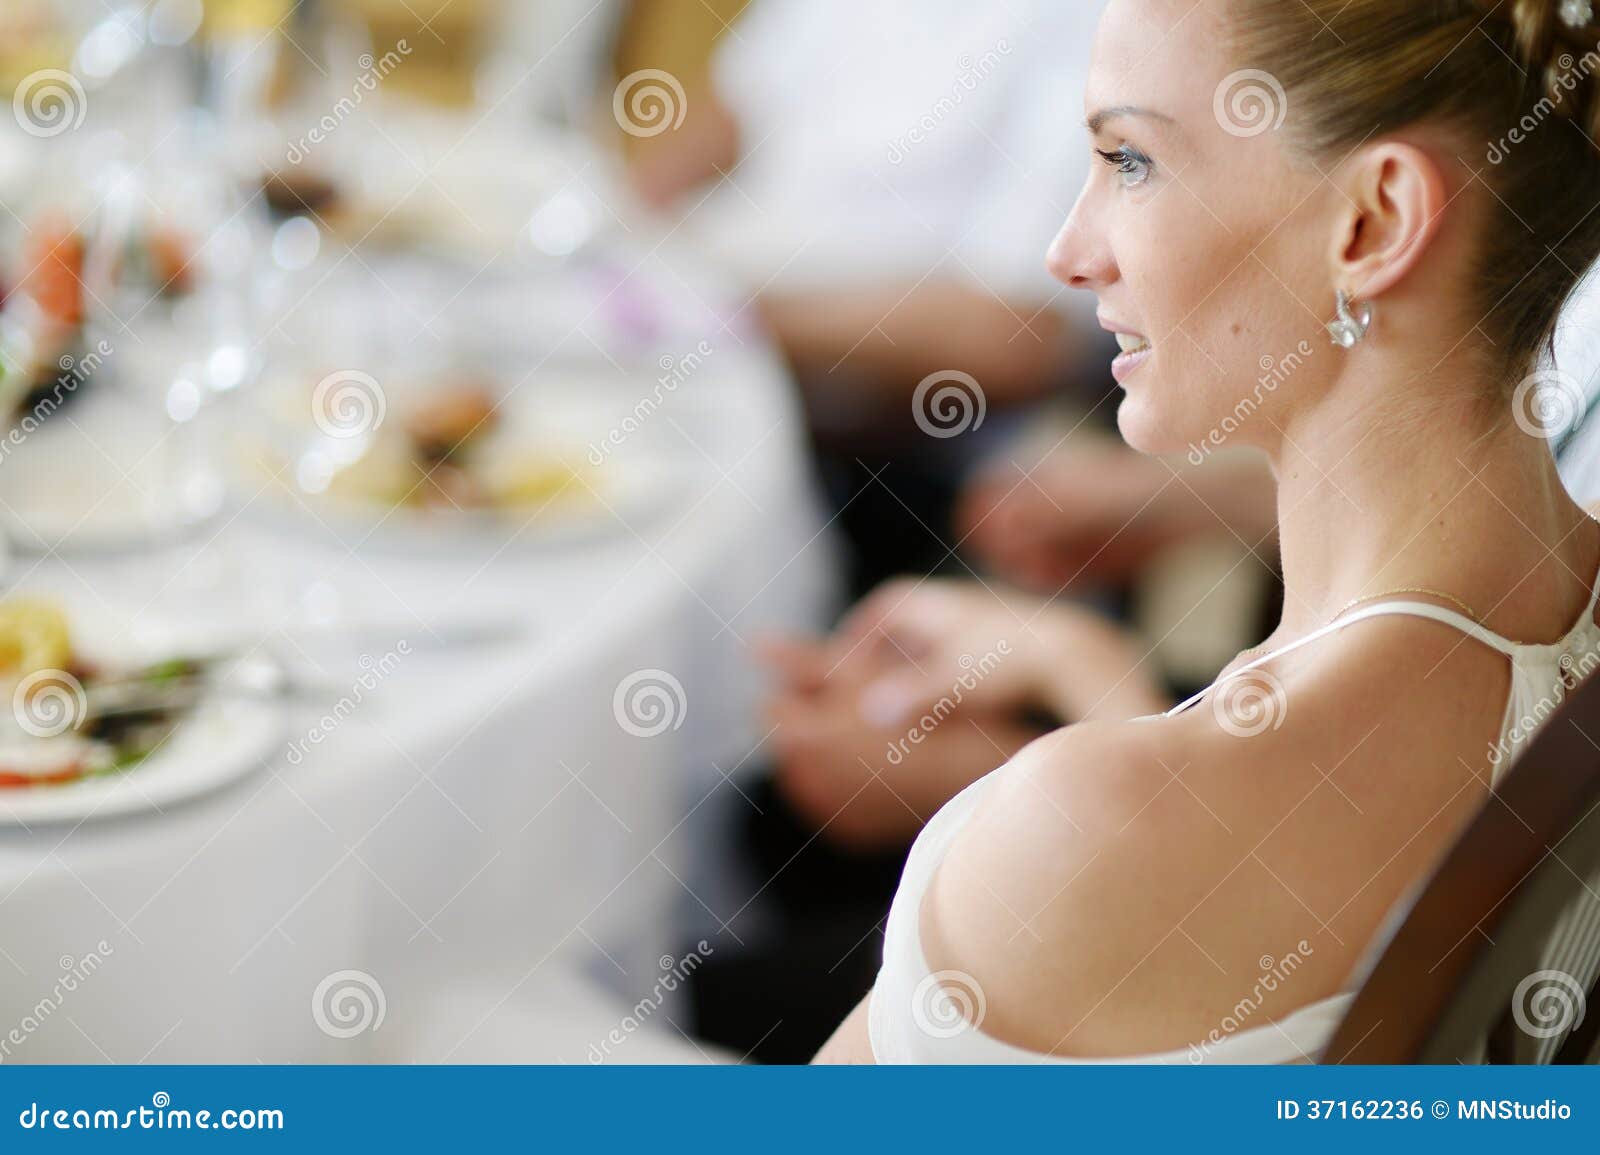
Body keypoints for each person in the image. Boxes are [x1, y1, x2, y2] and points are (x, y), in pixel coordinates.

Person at [815, 0, 1600, 1064]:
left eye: (1130, 161)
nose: (1068, 252)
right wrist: (1079, 665)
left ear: (1372, 223)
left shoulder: (1080, 833)